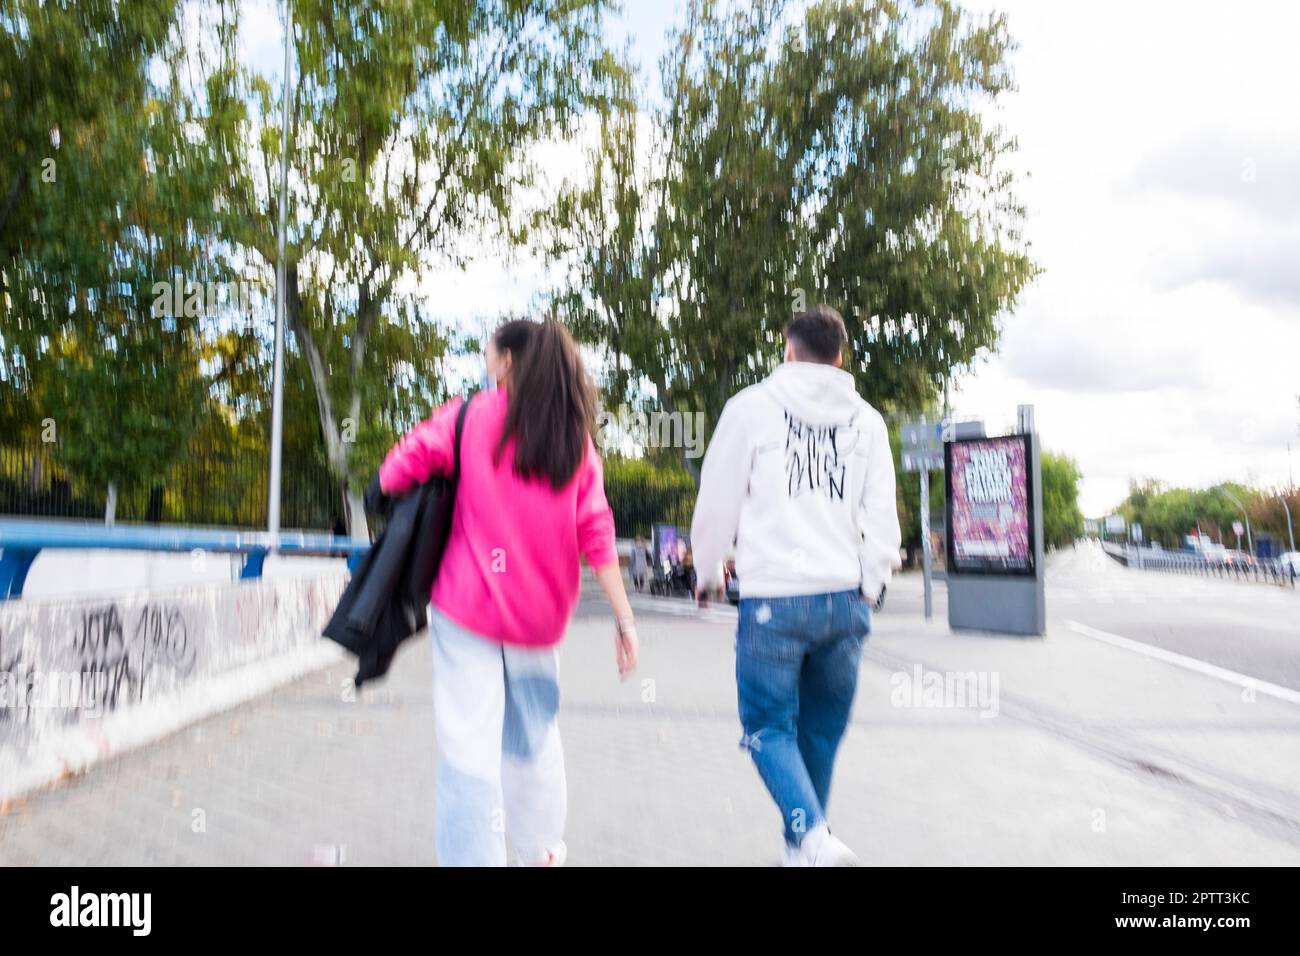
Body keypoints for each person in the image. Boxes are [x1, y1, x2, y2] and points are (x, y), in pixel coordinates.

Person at [378, 317, 639, 867]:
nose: (485, 361)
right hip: (539, 620)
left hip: (466, 609)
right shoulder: (575, 440)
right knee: (533, 737)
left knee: (467, 747)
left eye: (489, 353)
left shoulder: (470, 416)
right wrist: (625, 620)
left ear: (509, 362)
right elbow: (596, 530)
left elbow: (393, 473)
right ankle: (538, 850)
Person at [691, 304, 901, 866]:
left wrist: (708, 573)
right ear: (840, 359)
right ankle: (805, 847)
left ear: (788, 351)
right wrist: (871, 586)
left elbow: (716, 504)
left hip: (774, 604)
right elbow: (882, 517)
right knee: (820, 737)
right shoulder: (868, 421)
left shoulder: (750, 410)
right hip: (844, 603)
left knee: (765, 729)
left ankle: (810, 839)